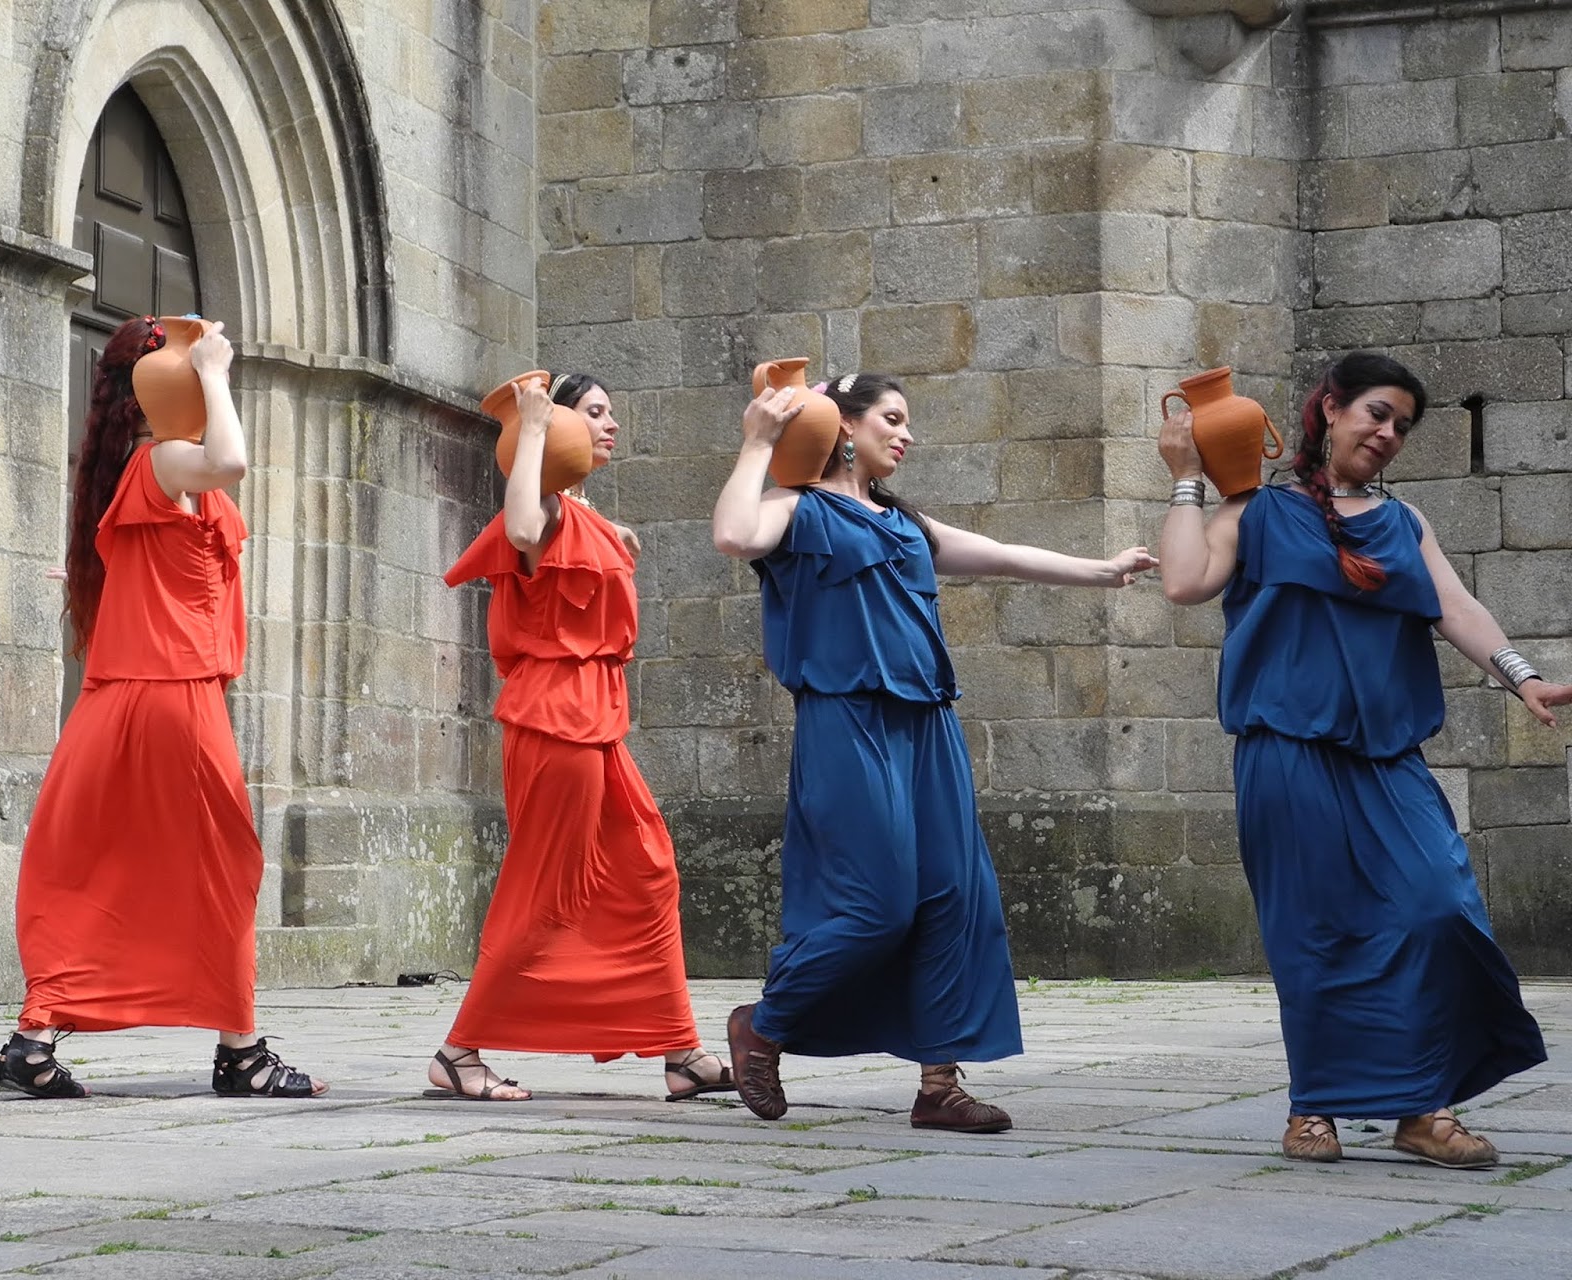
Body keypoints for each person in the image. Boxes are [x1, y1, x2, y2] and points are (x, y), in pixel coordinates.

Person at [712, 372, 1157, 1132]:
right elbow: (733, 534)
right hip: (847, 723)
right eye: (891, 419)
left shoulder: (904, 522)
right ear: (842, 427)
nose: (906, 434)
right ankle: (765, 1023)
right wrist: (759, 440)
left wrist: (1102, 570)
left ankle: (939, 1085)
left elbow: (1002, 555)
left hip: (929, 727)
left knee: (955, 895)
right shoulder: (797, 508)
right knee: (876, 905)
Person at [1157, 350, 1564, 1168]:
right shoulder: (1257, 511)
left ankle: (1421, 1105)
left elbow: (1455, 606)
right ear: (1331, 409)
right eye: (1378, 413)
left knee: (1437, 908)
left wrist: (1522, 676)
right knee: (1315, 931)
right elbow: (1184, 581)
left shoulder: (1405, 522)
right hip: (1286, 751)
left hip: (1387, 756)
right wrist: (1186, 478)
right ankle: (1317, 1107)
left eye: (1402, 426)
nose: (1388, 433)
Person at [0, 316, 326, 1100]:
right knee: (224, 866)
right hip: (175, 695)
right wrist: (214, 369)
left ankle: (32, 1041)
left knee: (105, 867)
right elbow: (232, 460)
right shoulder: (167, 459)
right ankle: (241, 1054)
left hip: (125, 698)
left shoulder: (134, 471)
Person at [431, 371, 733, 1103]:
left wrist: (604, 528)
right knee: (548, 886)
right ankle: (458, 1053)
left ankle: (680, 1049)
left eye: (610, 412)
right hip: (556, 720)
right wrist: (533, 425)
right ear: (558, 425)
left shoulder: (576, 512)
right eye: (595, 412)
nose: (611, 424)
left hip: (594, 720)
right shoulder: (538, 509)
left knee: (647, 868)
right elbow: (523, 530)